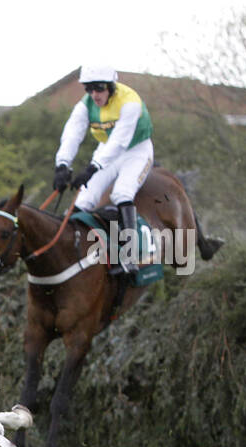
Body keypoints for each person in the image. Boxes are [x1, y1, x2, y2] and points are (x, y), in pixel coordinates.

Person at [52, 65, 153, 285]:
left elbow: (120, 141)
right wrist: (62, 164)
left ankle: (130, 256)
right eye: (89, 89)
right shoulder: (85, 105)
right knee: (84, 199)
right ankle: (70, 251)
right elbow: (72, 133)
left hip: (136, 150)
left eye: (99, 89)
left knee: (121, 194)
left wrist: (92, 168)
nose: (94, 94)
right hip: (106, 150)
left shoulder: (129, 102)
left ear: (110, 86)